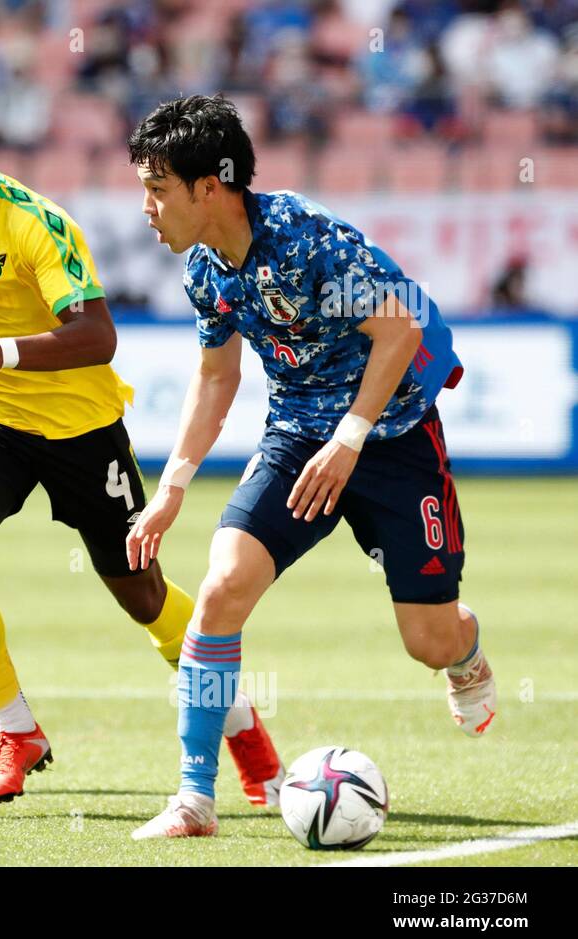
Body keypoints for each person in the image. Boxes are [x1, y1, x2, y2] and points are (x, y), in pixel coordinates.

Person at [0, 101, 284, 809]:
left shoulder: (37, 224)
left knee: (142, 594)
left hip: (82, 427)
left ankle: (241, 724)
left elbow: (98, 335)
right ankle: (16, 730)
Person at [124, 94, 493, 839]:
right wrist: (171, 488)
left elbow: (398, 331)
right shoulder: (205, 270)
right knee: (221, 588)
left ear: (209, 188)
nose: (147, 208)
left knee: (428, 642)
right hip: (297, 440)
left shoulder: (304, 238)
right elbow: (218, 378)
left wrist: (352, 436)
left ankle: (468, 651)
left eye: (158, 189)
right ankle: (195, 799)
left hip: (390, 436)